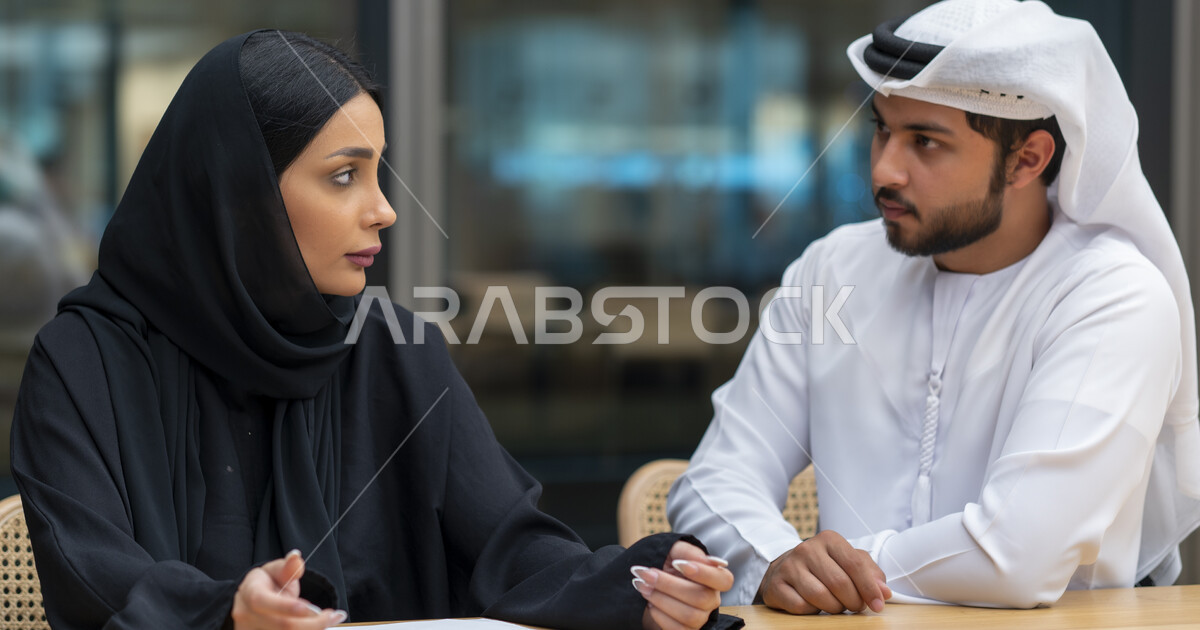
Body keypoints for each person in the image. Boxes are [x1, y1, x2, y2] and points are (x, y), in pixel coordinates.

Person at [10, 30, 741, 630]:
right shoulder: (84, 362)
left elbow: (512, 550)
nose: (384, 210)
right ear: (240, 194)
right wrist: (225, 613)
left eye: (377, 174)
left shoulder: (394, 349)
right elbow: (95, 579)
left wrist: (643, 592)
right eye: (342, 176)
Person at [668, 0, 1200, 614]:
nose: (884, 171)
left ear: (1027, 159)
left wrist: (834, 571)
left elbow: (1014, 559)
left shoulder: (1112, 297)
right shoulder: (833, 269)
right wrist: (773, 559)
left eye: (926, 142)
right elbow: (712, 480)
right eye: (882, 130)